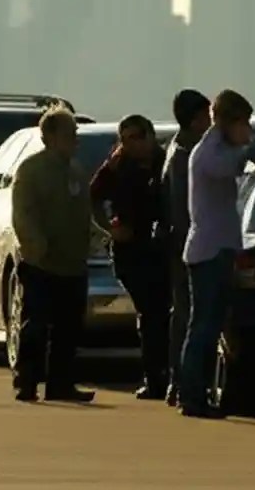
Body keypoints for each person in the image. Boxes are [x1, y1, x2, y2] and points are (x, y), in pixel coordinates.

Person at [179, 89, 255, 419]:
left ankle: (201, 393)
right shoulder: (208, 151)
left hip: (222, 246)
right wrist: (251, 147)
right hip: (208, 250)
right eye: (243, 122)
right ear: (226, 122)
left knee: (212, 325)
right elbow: (228, 167)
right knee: (204, 327)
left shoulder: (223, 148)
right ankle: (192, 396)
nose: (247, 129)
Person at [10, 104, 97, 403]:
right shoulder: (31, 170)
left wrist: (97, 240)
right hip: (41, 264)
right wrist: (36, 246)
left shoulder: (76, 171)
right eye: (69, 133)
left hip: (72, 264)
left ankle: (61, 384)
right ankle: (27, 382)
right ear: (49, 136)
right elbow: (23, 213)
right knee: (35, 326)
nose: (75, 139)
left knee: (68, 330)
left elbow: (85, 214)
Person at [90, 114, 168, 399]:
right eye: (124, 139)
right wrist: (110, 229)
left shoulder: (167, 160)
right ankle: (154, 376)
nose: (130, 145)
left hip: (164, 247)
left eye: (135, 137)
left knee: (167, 313)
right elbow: (94, 196)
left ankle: (170, 375)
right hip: (132, 251)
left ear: (149, 135)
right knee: (149, 313)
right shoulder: (117, 165)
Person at [158, 89, 212, 407]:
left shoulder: (178, 148)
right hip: (187, 242)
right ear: (194, 120)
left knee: (184, 313)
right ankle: (185, 384)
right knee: (191, 315)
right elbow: (185, 208)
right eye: (207, 116)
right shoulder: (186, 154)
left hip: (181, 240)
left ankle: (179, 383)